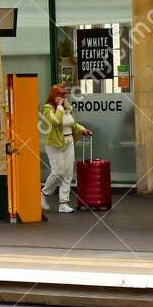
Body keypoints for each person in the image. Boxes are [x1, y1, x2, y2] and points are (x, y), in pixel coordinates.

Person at [41, 84, 91, 214]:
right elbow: (56, 121)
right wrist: (58, 106)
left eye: (64, 95)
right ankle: (44, 195)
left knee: (68, 173)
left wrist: (82, 129)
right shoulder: (48, 108)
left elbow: (72, 123)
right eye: (61, 95)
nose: (64, 98)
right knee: (58, 171)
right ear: (54, 96)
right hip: (54, 143)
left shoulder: (67, 108)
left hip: (69, 141)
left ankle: (63, 203)